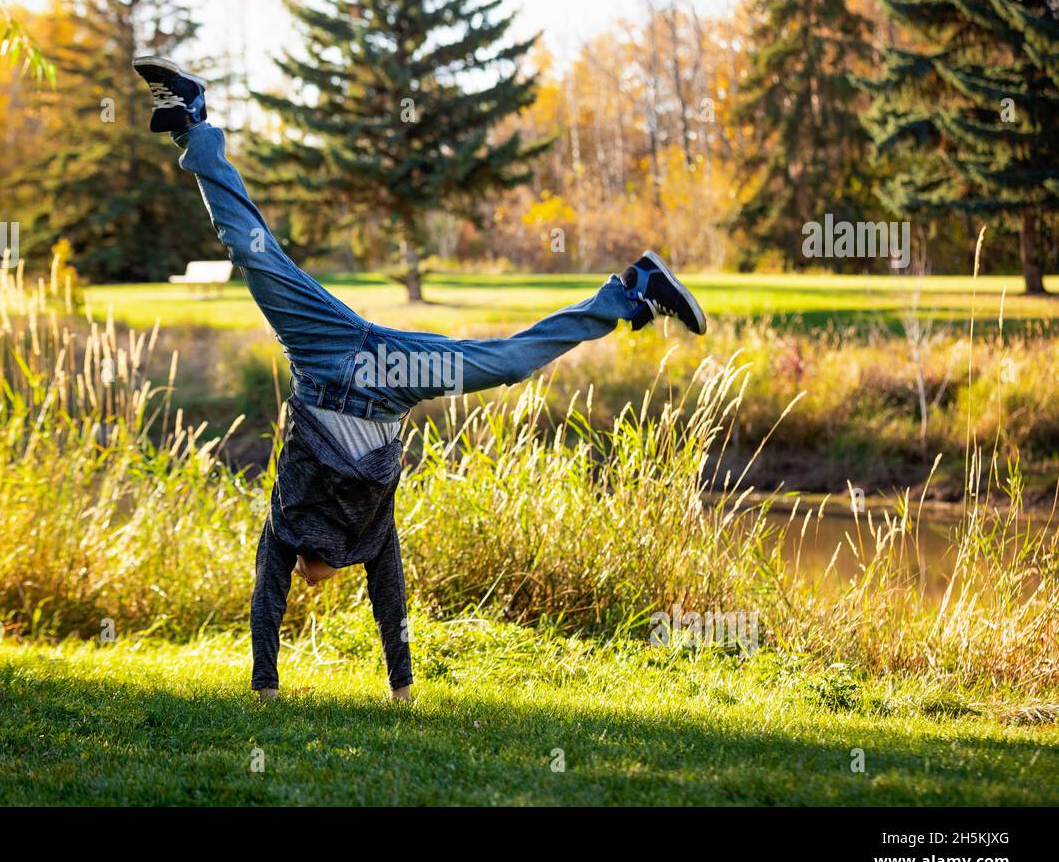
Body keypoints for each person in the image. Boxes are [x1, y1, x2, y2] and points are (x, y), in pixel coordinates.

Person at [132, 56, 708, 703]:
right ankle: (634, 292)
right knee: (510, 362)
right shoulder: (367, 535)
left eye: (299, 574)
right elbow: (391, 601)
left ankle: (190, 118)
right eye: (308, 574)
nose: (302, 575)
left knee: (251, 247)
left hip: (322, 355)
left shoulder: (286, 527)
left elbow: (267, 602)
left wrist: (264, 688)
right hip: (391, 375)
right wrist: (401, 687)